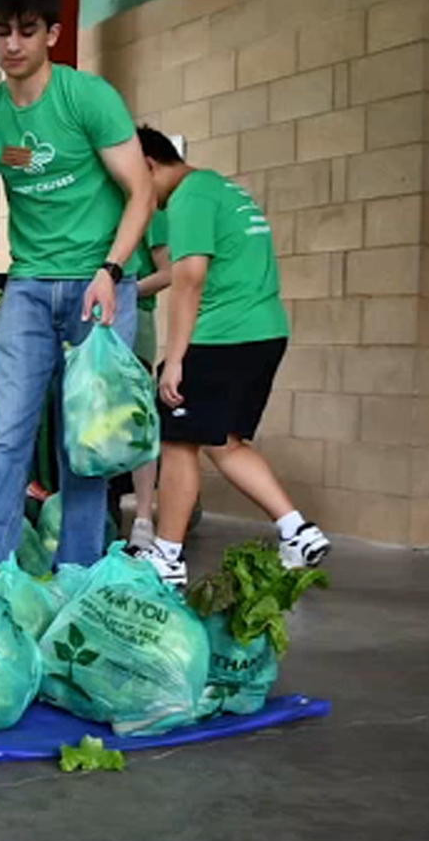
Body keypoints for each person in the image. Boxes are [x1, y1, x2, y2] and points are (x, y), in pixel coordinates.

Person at [0, 0, 155, 570]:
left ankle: (75, 577)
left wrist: (111, 270)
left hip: (99, 287)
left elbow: (142, 191)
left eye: (27, 31)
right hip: (28, 288)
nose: (12, 44)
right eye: (2, 31)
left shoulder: (88, 98)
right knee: (5, 433)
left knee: (87, 441)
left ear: (52, 34)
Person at [135, 125, 331, 581]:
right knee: (223, 442)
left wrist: (175, 359)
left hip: (224, 334)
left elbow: (189, 278)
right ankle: (297, 531)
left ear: (148, 165)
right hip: (265, 332)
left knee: (177, 438)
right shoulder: (221, 188)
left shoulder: (190, 197)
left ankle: (167, 556)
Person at [121, 215, 173, 551]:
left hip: (133, 318)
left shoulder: (152, 213)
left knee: (136, 419)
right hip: (90, 317)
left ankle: (143, 518)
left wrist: (123, 292)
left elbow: (169, 272)